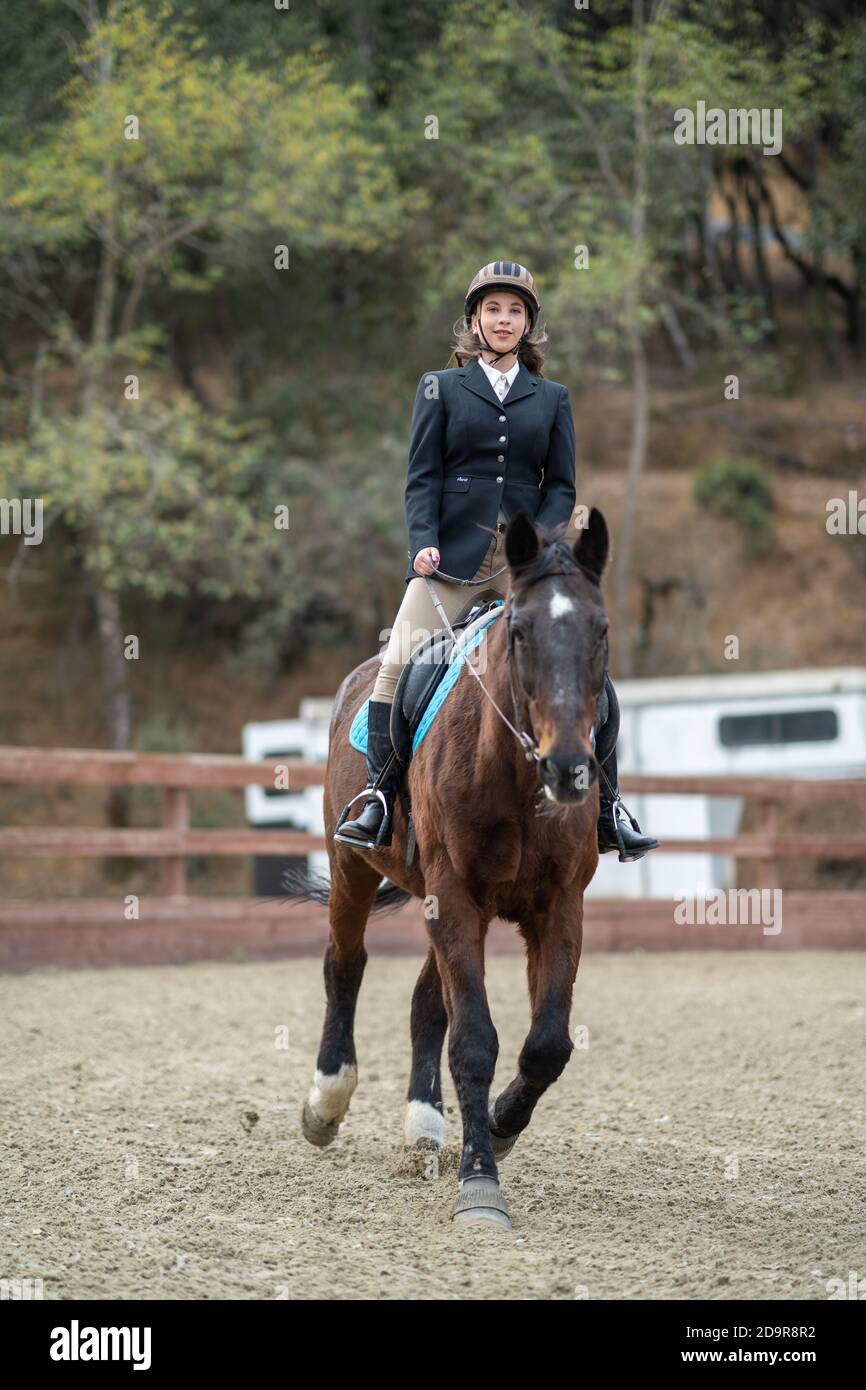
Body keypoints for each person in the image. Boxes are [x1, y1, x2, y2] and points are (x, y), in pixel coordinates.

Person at [334, 260, 658, 862]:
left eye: (514, 310)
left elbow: (560, 484)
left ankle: (609, 805)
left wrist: (549, 544)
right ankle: (379, 799)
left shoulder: (553, 398)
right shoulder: (440, 387)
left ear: (528, 322)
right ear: (475, 321)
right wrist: (422, 542)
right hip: (451, 564)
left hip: (526, 567)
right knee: (395, 667)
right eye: (492, 310)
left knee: (591, 680)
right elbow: (421, 479)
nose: (503, 319)